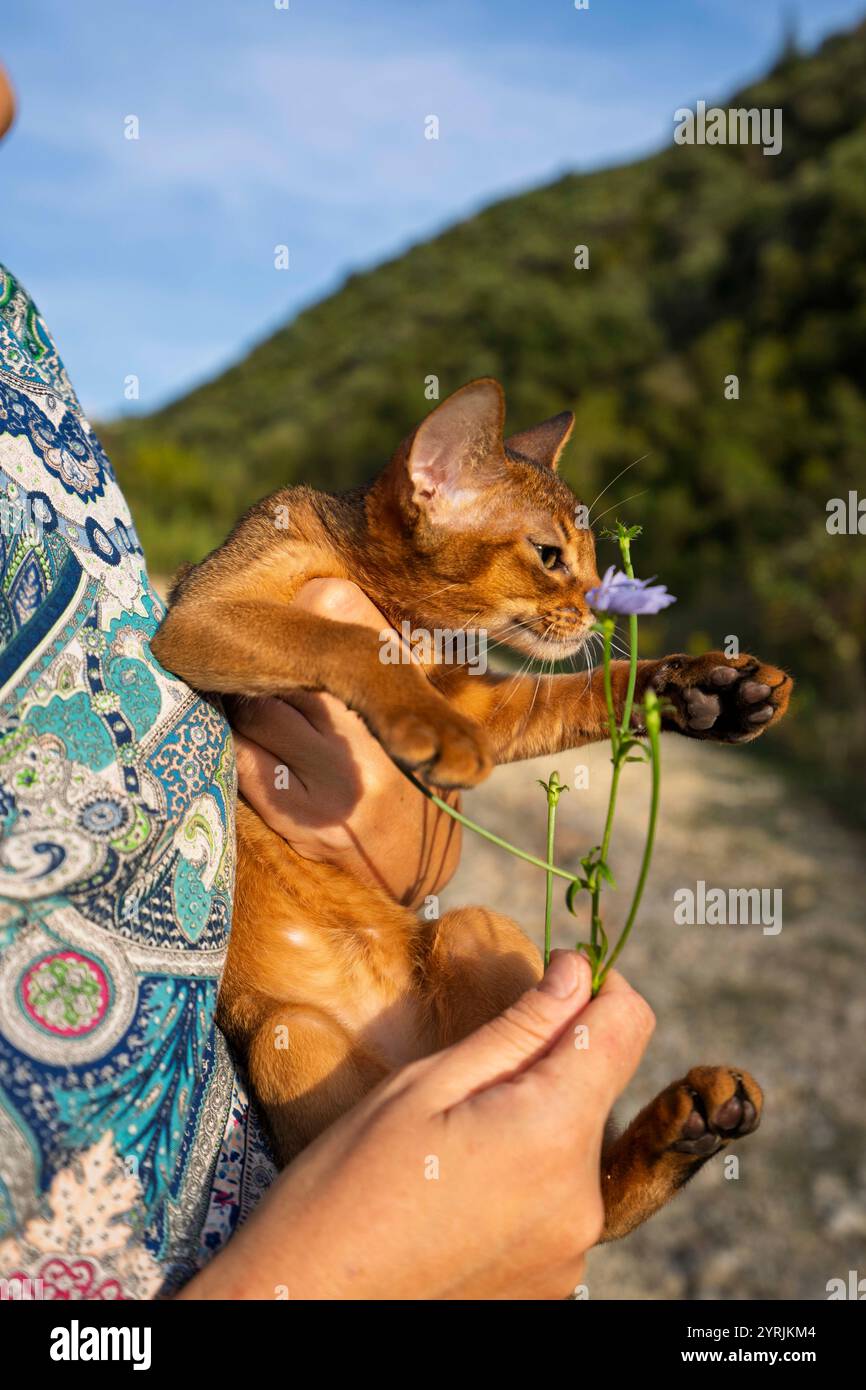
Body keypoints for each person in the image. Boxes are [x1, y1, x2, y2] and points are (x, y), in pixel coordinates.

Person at [0, 61, 655, 1300]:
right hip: (243, 1223)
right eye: (552, 564)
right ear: (433, 478)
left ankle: (586, 1180)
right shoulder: (308, 543)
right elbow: (199, 633)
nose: (574, 599)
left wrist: (409, 829)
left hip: (342, 1086)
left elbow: (475, 739)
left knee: (485, 941)